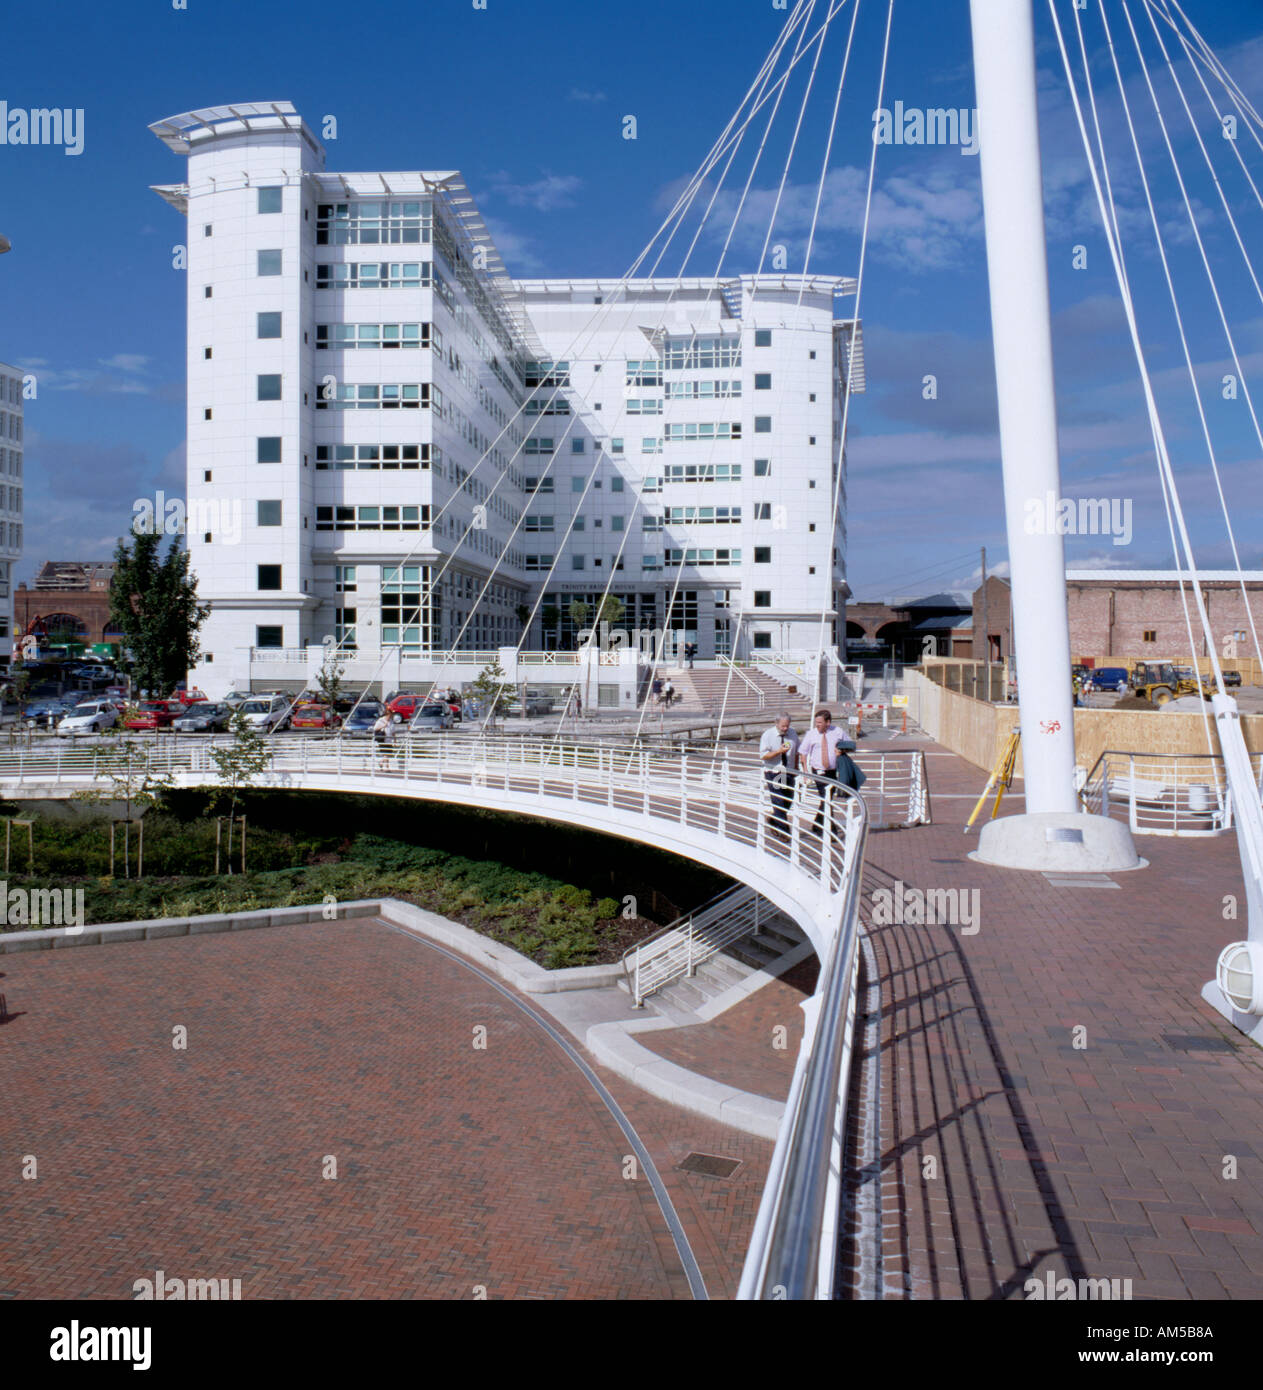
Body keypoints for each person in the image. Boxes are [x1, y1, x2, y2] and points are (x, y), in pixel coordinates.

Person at [798, 708, 862, 835]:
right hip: (819, 771)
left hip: (833, 771)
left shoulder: (837, 732)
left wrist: (842, 750)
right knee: (826, 798)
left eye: (820, 723)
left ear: (828, 722)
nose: (817, 725)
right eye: (816, 723)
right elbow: (803, 753)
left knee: (827, 799)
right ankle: (830, 831)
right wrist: (805, 771)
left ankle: (817, 825)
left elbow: (851, 744)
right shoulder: (811, 734)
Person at [759, 713, 800, 838]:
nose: (785, 729)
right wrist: (778, 751)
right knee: (778, 800)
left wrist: (797, 768)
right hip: (774, 771)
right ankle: (784, 831)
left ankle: (774, 818)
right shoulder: (768, 735)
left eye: (787, 726)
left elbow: (797, 751)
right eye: (783, 726)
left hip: (788, 771)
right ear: (776, 723)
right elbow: (763, 756)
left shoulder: (792, 733)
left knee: (789, 799)